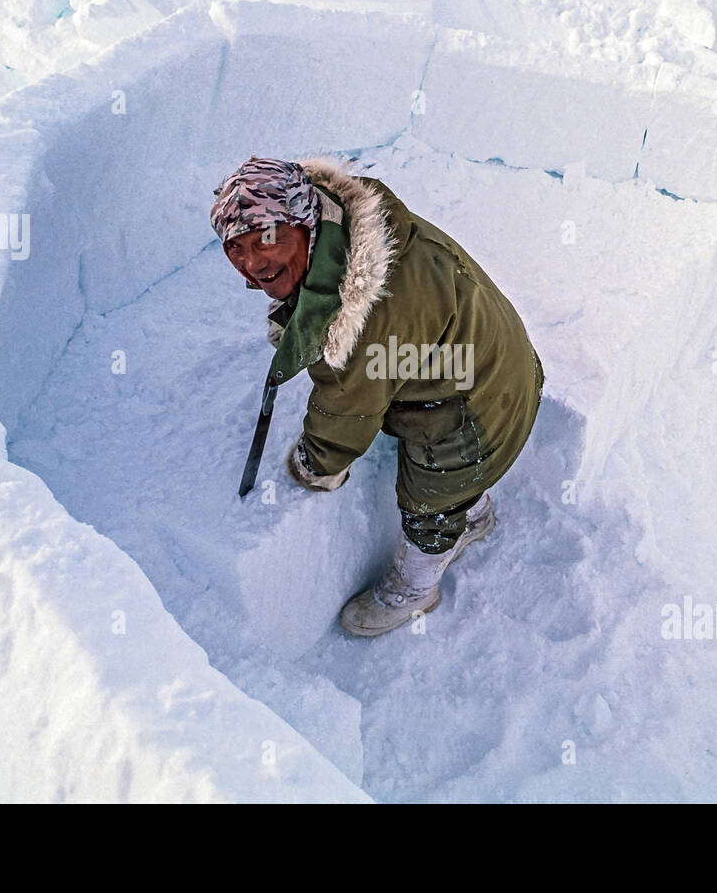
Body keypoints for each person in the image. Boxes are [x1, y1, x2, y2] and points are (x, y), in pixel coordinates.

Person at [211, 155, 544, 637]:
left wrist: (315, 465)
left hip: (479, 408)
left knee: (433, 490)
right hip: (495, 361)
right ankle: (471, 512)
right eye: (234, 246)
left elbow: (347, 408)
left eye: (264, 238)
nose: (249, 261)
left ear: (303, 222)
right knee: (449, 470)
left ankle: (417, 585)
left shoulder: (364, 316)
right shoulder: (349, 226)